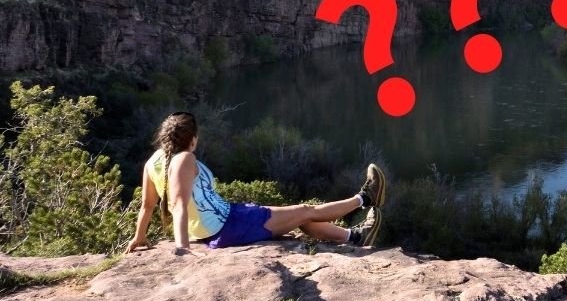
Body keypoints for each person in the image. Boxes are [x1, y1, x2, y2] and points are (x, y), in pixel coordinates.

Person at [125, 111, 385, 254]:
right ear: (192, 139)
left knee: (298, 216)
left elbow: (147, 206)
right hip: (228, 227)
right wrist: (182, 249)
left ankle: (355, 237)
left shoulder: (152, 162)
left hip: (228, 219)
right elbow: (180, 205)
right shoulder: (185, 159)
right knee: (305, 211)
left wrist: (139, 236)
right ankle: (365, 198)